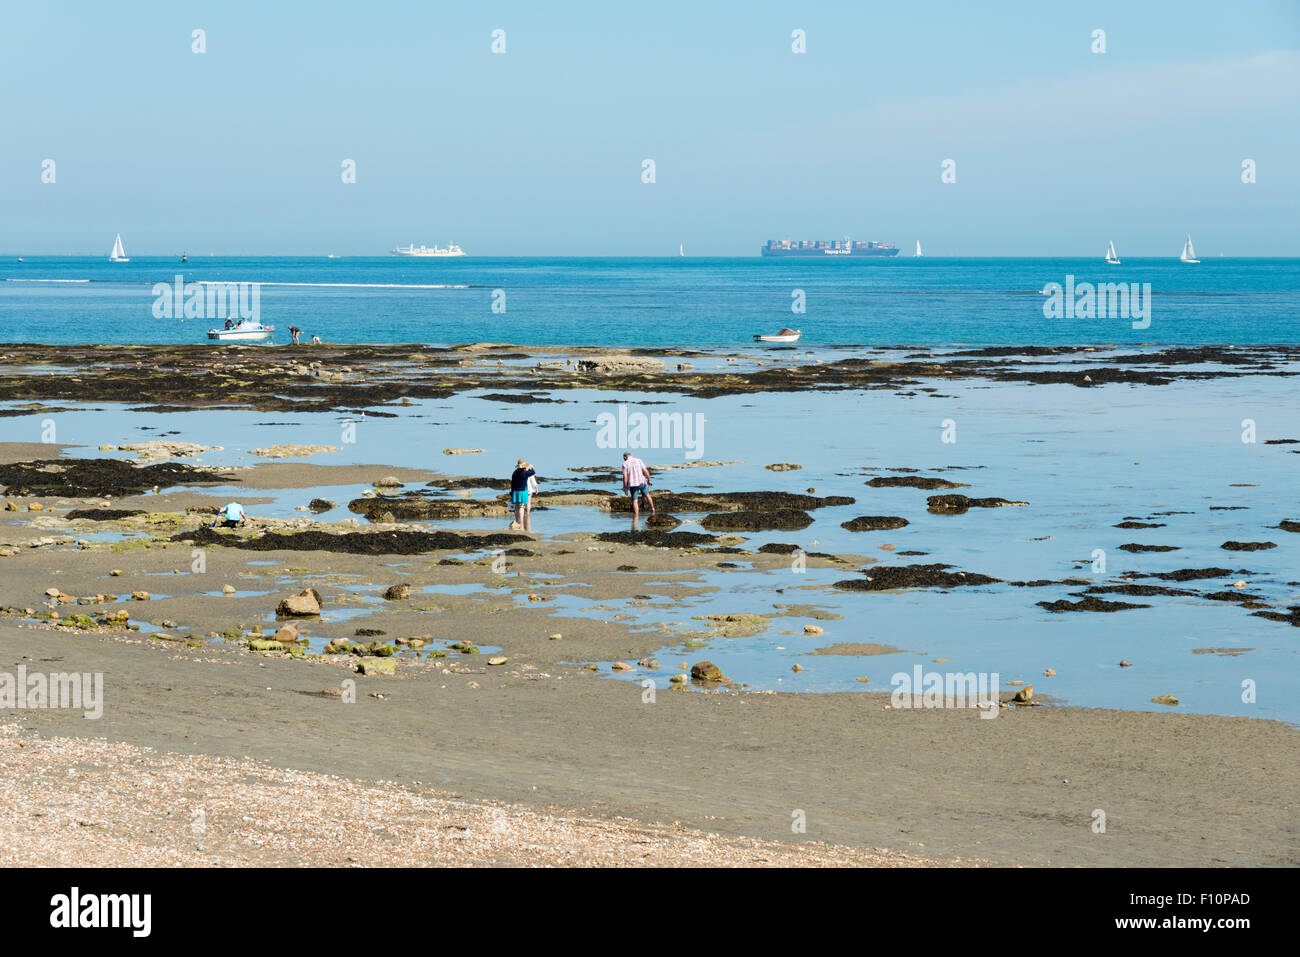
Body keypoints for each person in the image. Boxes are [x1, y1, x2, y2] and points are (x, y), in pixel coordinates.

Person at [622, 452, 655, 520]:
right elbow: (645, 471)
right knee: (647, 495)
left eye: (623, 458)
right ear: (631, 455)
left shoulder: (625, 464)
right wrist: (649, 480)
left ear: (625, 457)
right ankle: (653, 509)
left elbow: (625, 476)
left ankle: (636, 517)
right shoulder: (639, 460)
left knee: (635, 501)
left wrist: (625, 487)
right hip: (642, 482)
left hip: (633, 484)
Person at [509, 458, 536, 531]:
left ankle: (517, 521)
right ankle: (521, 524)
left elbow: (512, 483)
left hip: (515, 491)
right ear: (524, 466)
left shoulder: (514, 473)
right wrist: (530, 466)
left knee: (516, 507)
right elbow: (533, 472)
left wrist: (511, 492)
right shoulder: (525, 473)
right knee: (521, 507)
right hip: (523, 491)